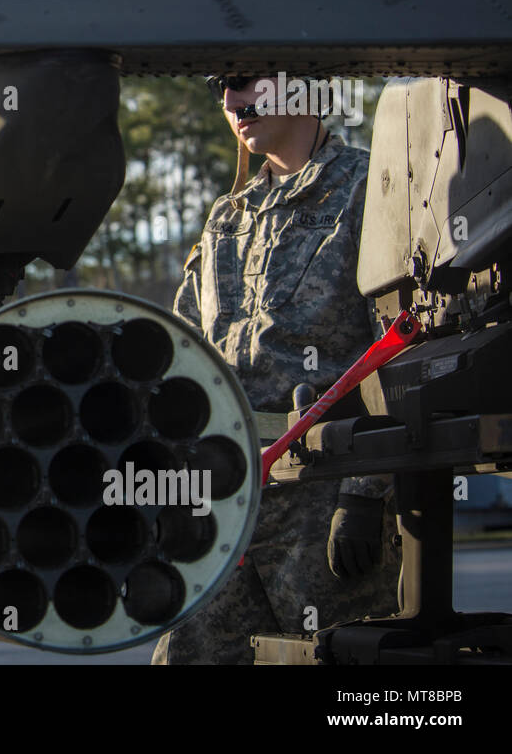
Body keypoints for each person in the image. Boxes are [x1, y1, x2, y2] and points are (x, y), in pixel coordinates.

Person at [152, 74, 400, 664]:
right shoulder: (227, 217)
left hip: (321, 496)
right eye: (221, 89)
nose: (231, 102)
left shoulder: (366, 188)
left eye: (244, 83)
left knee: (341, 668)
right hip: (227, 497)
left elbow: (398, 346)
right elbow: (179, 355)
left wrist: (365, 493)